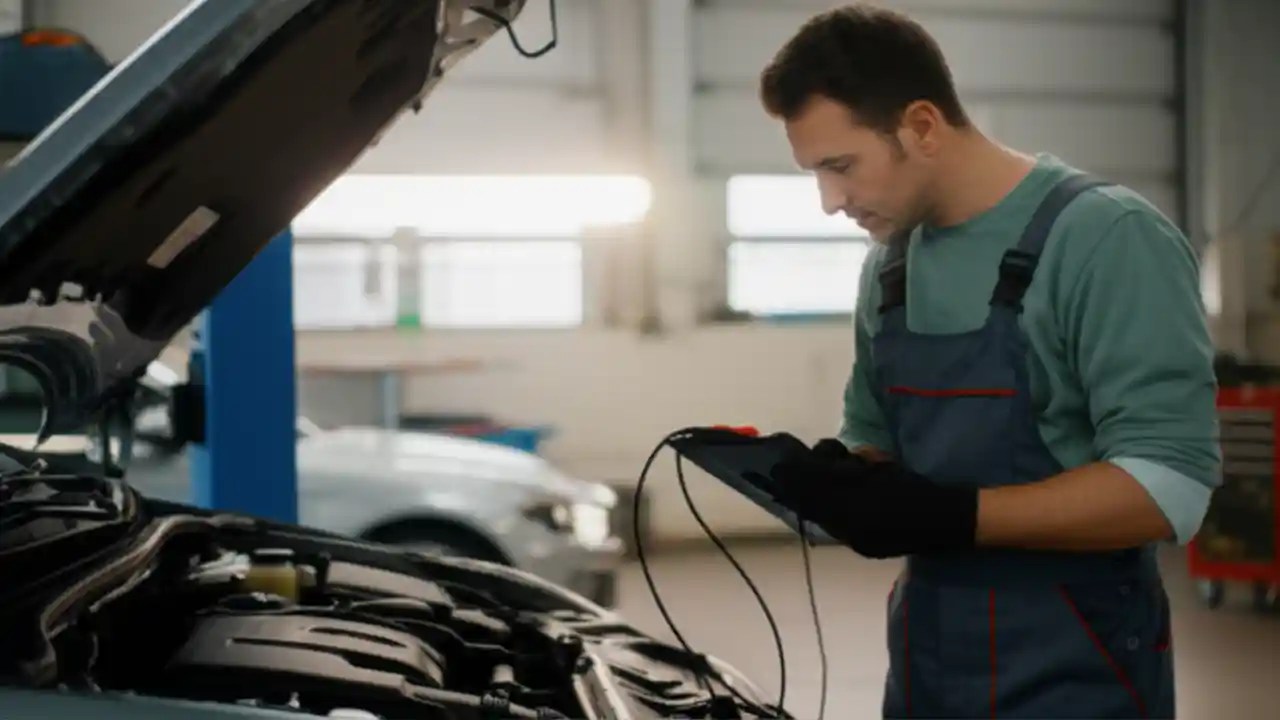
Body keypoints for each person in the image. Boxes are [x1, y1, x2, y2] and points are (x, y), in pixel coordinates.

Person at [758, 4, 1220, 718]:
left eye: (840, 166)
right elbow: (873, 438)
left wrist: (953, 515)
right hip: (929, 657)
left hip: (1079, 657)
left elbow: (1168, 483)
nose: (829, 202)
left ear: (921, 126)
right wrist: (839, 483)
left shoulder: (1107, 239)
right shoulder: (891, 266)